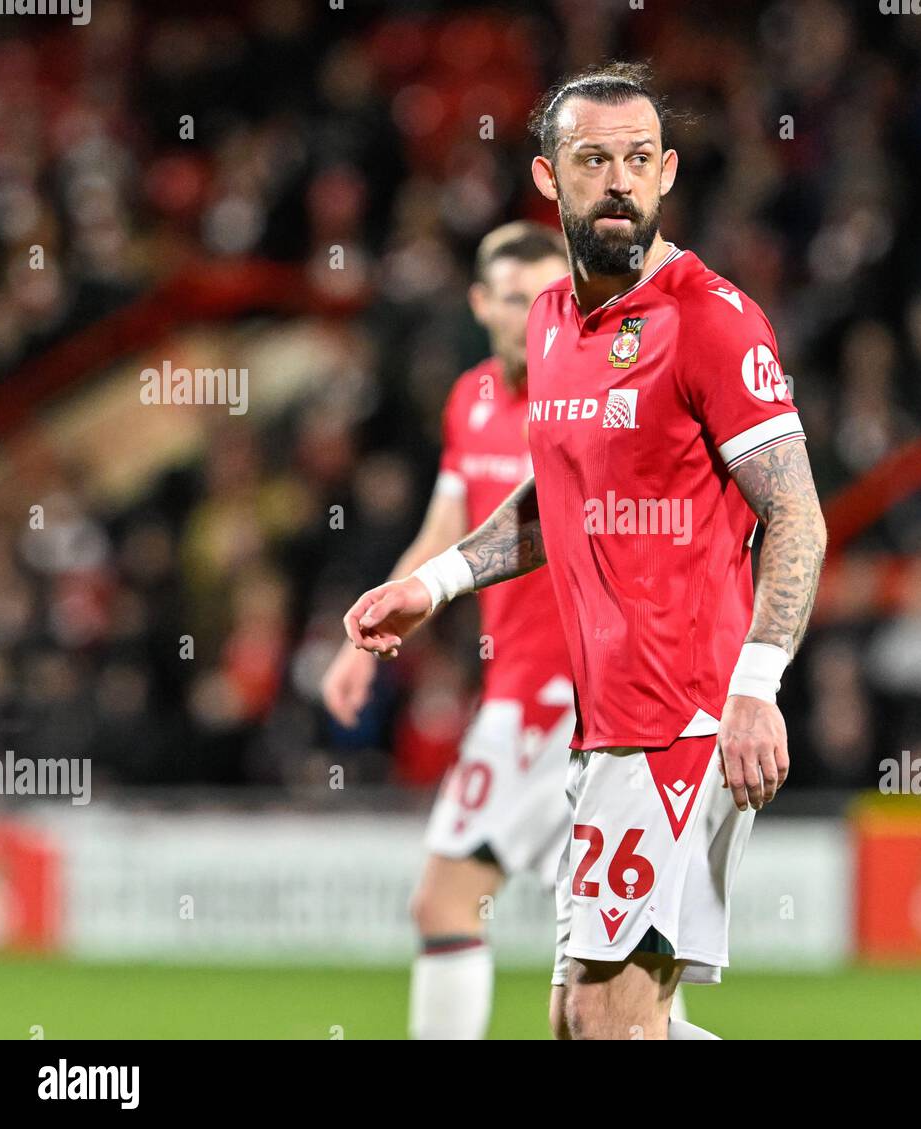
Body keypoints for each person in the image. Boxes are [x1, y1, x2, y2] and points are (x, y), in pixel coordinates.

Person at [343, 62, 827, 1041]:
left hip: (683, 715)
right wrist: (433, 583)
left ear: (669, 173)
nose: (618, 179)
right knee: (585, 1018)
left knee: (608, 1016)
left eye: (638, 159)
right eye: (593, 158)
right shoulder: (552, 322)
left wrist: (755, 685)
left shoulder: (709, 321)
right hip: (611, 722)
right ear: (547, 178)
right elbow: (549, 501)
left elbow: (799, 517)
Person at [322, 222, 574, 1039]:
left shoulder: (590, 401)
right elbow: (444, 528)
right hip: (517, 692)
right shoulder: (470, 396)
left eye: (549, 300)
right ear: (480, 304)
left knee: (463, 904)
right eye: (514, 300)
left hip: (578, 694)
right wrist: (363, 629)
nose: (532, 318)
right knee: (610, 950)